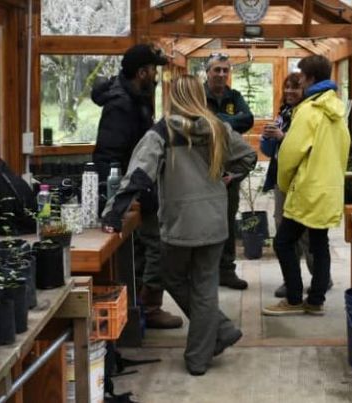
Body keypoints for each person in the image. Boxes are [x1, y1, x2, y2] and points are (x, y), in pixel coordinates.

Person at [101, 74, 257, 375]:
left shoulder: (162, 132)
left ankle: (203, 352)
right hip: (214, 221)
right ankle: (217, 335)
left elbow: (138, 175)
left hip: (179, 224)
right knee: (205, 286)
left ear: (173, 97)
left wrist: (112, 214)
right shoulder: (218, 128)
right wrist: (229, 178)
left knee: (173, 279)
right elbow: (248, 157)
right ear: (199, 96)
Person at [91, 43, 183, 329]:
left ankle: (139, 308)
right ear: (142, 72)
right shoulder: (121, 105)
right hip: (133, 190)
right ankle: (149, 308)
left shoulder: (137, 97)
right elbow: (108, 155)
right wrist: (120, 198)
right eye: (153, 70)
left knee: (146, 249)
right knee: (156, 247)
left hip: (142, 186)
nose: (156, 75)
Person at [262, 55, 351, 316]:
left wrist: (285, 183)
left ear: (310, 79)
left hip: (307, 189)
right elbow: (344, 150)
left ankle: (292, 299)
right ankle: (315, 301)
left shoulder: (309, 111)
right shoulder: (337, 110)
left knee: (283, 242)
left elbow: (289, 154)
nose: (298, 82)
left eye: (300, 78)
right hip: (329, 188)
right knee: (319, 243)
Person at [203, 53, 255, 290]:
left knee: (227, 220)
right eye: (217, 70)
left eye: (225, 70)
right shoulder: (199, 95)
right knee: (203, 221)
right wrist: (230, 120)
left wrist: (218, 120)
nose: (222, 74)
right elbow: (198, 120)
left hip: (230, 169)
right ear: (207, 72)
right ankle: (205, 273)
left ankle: (227, 270)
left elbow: (248, 120)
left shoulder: (234, 96)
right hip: (202, 168)